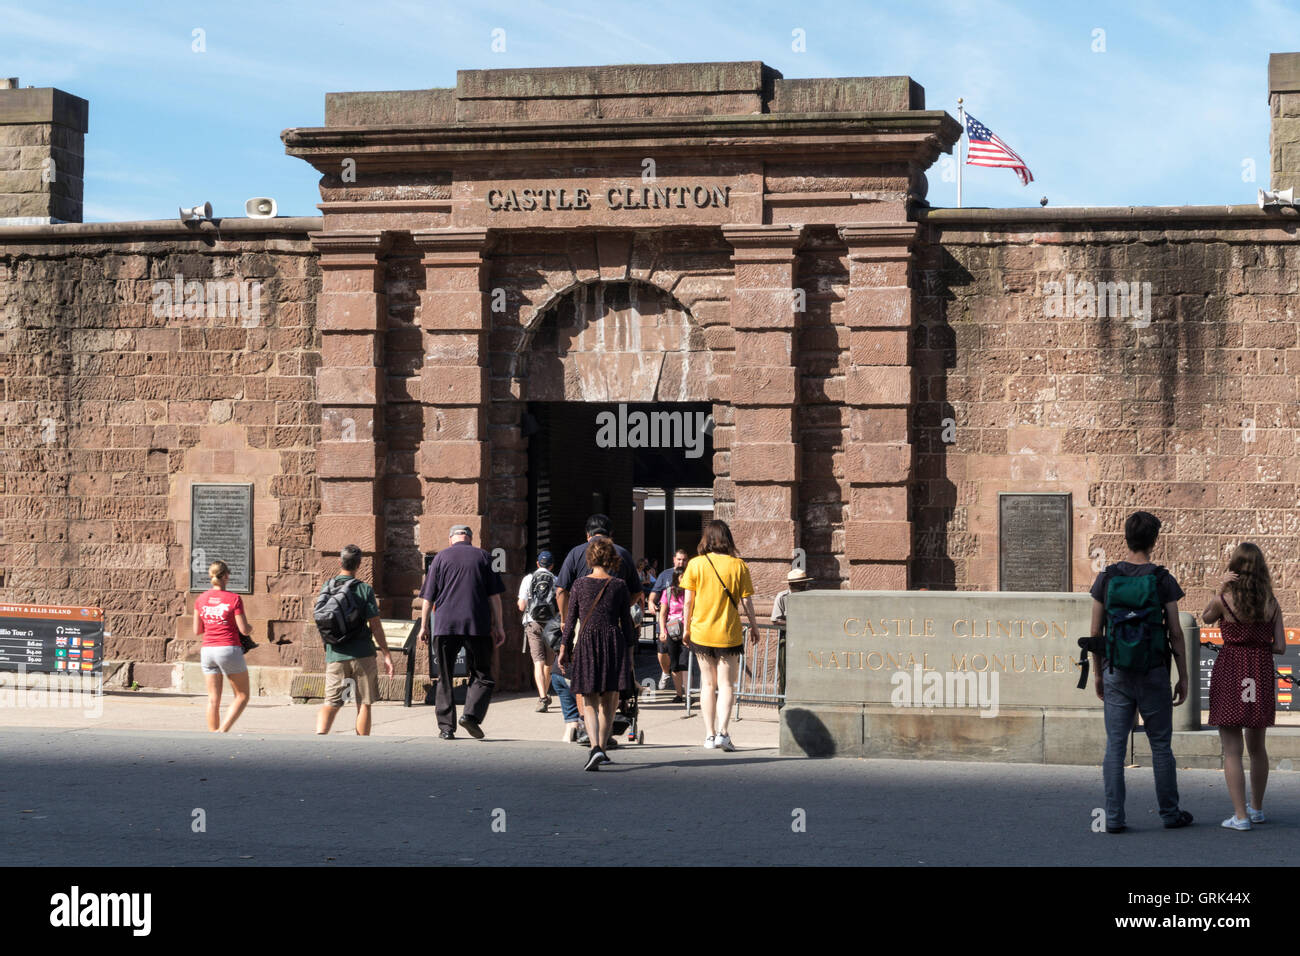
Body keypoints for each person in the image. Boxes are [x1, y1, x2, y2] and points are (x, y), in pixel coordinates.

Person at [1088, 511, 1193, 833]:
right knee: (1161, 744)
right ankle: (1169, 813)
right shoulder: (1162, 579)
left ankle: (1115, 818)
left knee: (1115, 746)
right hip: (1154, 671)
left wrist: (1097, 673)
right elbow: (1176, 632)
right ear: (1154, 540)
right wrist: (1183, 675)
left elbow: (1095, 634)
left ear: (1126, 537)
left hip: (1116, 670)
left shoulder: (1106, 578)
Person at [1202, 543, 1287, 830]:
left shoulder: (1223, 600)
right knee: (1257, 747)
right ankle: (1258, 809)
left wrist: (1218, 587)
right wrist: (1257, 645)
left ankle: (1240, 816)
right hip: (1259, 670)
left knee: (1232, 749)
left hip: (1231, 668)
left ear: (1234, 568)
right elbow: (1281, 646)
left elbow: (1205, 617)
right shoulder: (1271, 603)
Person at [417, 525, 506, 740]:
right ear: (470, 539)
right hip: (477, 625)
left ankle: (446, 728)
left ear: (451, 540)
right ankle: (471, 716)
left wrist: (424, 626)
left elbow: (428, 597)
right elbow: (494, 597)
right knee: (483, 674)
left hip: (445, 625)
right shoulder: (483, 557)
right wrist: (499, 625)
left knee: (444, 676)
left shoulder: (439, 559)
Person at [556, 536, 637, 770]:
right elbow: (626, 621)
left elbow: (570, 621)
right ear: (612, 558)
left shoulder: (579, 585)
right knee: (610, 697)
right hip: (613, 641)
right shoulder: (619, 585)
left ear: (590, 558)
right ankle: (602, 746)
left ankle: (595, 748)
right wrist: (630, 654)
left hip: (587, 641)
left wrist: (564, 649)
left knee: (589, 698)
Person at [680, 520, 760, 752]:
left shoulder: (695, 565)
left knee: (706, 684)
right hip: (729, 633)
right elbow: (746, 601)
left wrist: (686, 628)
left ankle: (708, 734)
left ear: (707, 539)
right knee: (726, 684)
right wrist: (754, 626)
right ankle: (723, 733)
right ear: (727, 539)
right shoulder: (739, 566)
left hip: (701, 632)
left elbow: (687, 602)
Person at [315, 545, 394, 736]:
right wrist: (386, 653)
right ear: (359, 564)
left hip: (336, 653)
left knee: (331, 702)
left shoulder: (328, 586)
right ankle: (362, 745)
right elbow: (375, 625)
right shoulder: (364, 589)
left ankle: (320, 737)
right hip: (363, 653)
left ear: (340, 562)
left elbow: (322, 618)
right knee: (364, 703)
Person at [193, 560, 252, 733]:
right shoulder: (234, 599)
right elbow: (244, 630)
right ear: (226, 576)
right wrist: (250, 628)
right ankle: (223, 730)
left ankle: (213, 734)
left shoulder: (201, 599)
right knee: (242, 695)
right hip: (228, 648)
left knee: (213, 699)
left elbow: (197, 630)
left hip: (207, 650)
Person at [555, 514, 643, 623]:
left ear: (587, 534)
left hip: (583, 622)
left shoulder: (575, 553)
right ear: (610, 534)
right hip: (613, 622)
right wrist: (621, 608)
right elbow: (637, 592)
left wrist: (565, 620)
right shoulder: (623, 554)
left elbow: (561, 591)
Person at [518, 550, 560, 713]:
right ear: (551, 565)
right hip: (551, 625)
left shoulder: (528, 579)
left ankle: (542, 698)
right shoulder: (555, 579)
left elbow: (522, 605)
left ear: (537, 564)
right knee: (549, 663)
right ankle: (545, 694)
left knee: (538, 661)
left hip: (532, 622)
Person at [770, 567, 814, 705]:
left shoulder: (810, 596)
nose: (802, 586)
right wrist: (797, 624)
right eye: (799, 585)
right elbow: (775, 620)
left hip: (808, 640)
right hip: (788, 640)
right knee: (784, 674)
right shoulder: (782, 597)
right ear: (790, 585)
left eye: (803, 584)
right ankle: (782, 705)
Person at [649, 548, 689, 690]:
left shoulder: (690, 574)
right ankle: (665, 672)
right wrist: (651, 602)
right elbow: (655, 592)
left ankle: (682, 687)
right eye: (679, 559)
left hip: (683, 624)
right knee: (662, 652)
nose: (681, 562)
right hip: (667, 622)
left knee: (683, 656)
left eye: (684, 560)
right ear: (674, 559)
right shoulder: (665, 574)